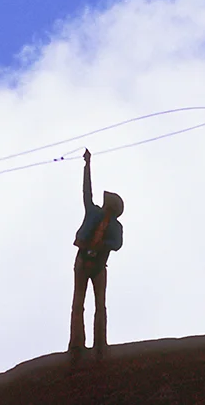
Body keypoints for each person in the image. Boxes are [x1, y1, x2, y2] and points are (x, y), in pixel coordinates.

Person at [69, 148, 123, 356]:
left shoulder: (114, 225)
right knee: (81, 303)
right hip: (85, 261)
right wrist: (87, 166)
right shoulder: (94, 212)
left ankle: (98, 343)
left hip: (97, 264)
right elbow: (86, 191)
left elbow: (117, 244)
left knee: (96, 304)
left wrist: (102, 246)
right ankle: (78, 344)